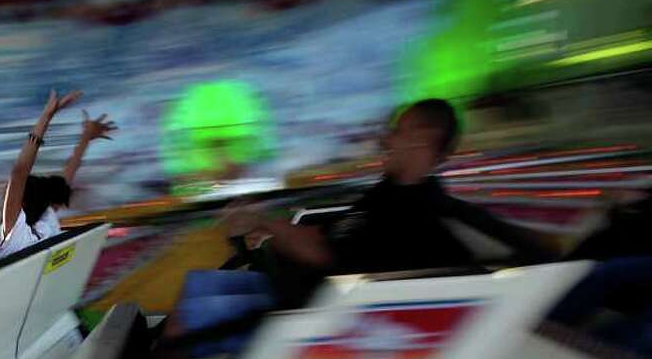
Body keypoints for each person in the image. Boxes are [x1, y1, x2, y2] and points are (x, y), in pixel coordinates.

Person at [225, 99, 559, 285]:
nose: (385, 140)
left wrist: (264, 224)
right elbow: (331, 235)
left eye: (395, 132)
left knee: (202, 297)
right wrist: (266, 225)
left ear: (420, 140)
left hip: (326, 317)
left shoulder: (413, 212)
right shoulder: (390, 196)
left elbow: (323, 251)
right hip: (316, 299)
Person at [0, 93, 117, 264]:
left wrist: (47, 116)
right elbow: (65, 181)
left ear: (21, 205)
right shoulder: (47, 224)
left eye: (5, 198)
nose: (2, 202)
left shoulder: (14, 230)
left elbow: (19, 172)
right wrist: (86, 138)